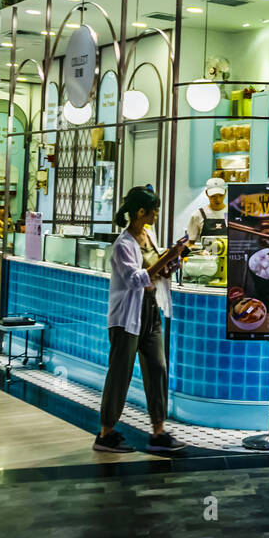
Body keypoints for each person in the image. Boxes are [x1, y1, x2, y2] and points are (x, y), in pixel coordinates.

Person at [95, 186, 187, 454]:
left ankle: (158, 432)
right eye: (154, 209)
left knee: (157, 369)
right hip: (127, 317)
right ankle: (105, 434)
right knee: (120, 373)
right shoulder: (123, 244)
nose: (157, 214)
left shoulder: (149, 235)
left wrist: (171, 262)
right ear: (140, 212)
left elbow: (154, 271)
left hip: (150, 310)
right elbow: (136, 279)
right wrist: (165, 259)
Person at [186, 177, 228, 246]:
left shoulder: (232, 213)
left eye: (221, 195)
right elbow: (190, 243)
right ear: (206, 193)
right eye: (213, 196)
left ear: (225, 192)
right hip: (206, 255)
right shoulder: (198, 215)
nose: (217, 199)